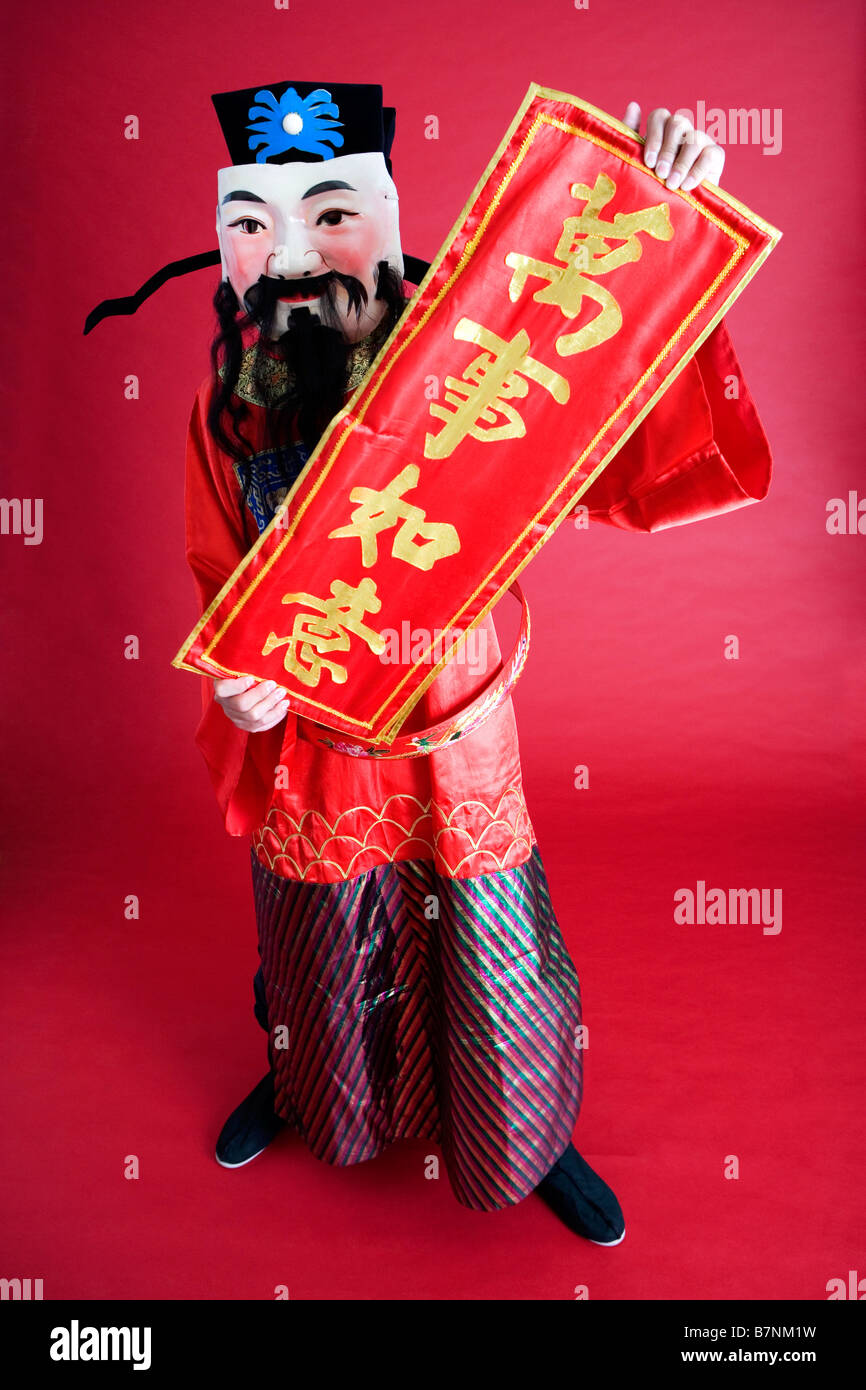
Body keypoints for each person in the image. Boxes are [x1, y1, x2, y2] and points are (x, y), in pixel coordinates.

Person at [140, 79, 770, 1247]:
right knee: (316, 928)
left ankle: (526, 1129)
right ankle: (308, 1083)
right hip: (314, 726)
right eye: (258, 223)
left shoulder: (489, 341)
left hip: (451, 706)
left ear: (384, 214)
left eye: (332, 213)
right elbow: (218, 572)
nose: (296, 253)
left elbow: (632, 445)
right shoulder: (231, 398)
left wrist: (656, 215)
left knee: (489, 934)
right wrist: (237, 680)